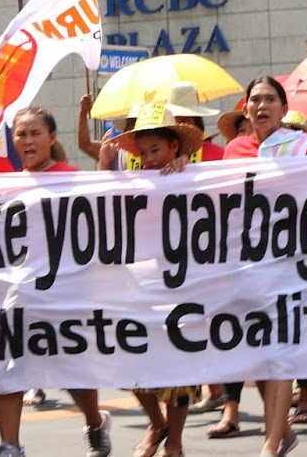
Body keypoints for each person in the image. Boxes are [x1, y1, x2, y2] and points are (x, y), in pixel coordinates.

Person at [0, 105, 112, 457]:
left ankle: (95, 421)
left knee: (70, 370)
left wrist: (107, 173)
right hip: (13, 294)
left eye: (34, 133)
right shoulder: (2, 182)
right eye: (20, 134)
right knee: (6, 365)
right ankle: (11, 445)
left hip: (67, 293)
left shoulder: (72, 178)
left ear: (51, 138)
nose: (27, 140)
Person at [207, 77, 307, 456]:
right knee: (257, 356)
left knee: (281, 354)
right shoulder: (233, 148)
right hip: (243, 267)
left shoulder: (303, 146)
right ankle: (283, 431)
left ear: (284, 108)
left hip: (288, 264)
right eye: (255, 100)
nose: (262, 105)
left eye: (270, 99)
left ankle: (271, 444)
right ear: (246, 108)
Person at [114, 91, 203, 457]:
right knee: (130, 359)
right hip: (139, 283)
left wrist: (185, 174)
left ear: (174, 146)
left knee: (178, 365)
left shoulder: (193, 177)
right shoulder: (130, 183)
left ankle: (176, 441)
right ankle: (156, 422)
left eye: (156, 151)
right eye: (143, 152)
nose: (149, 159)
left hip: (184, 285)